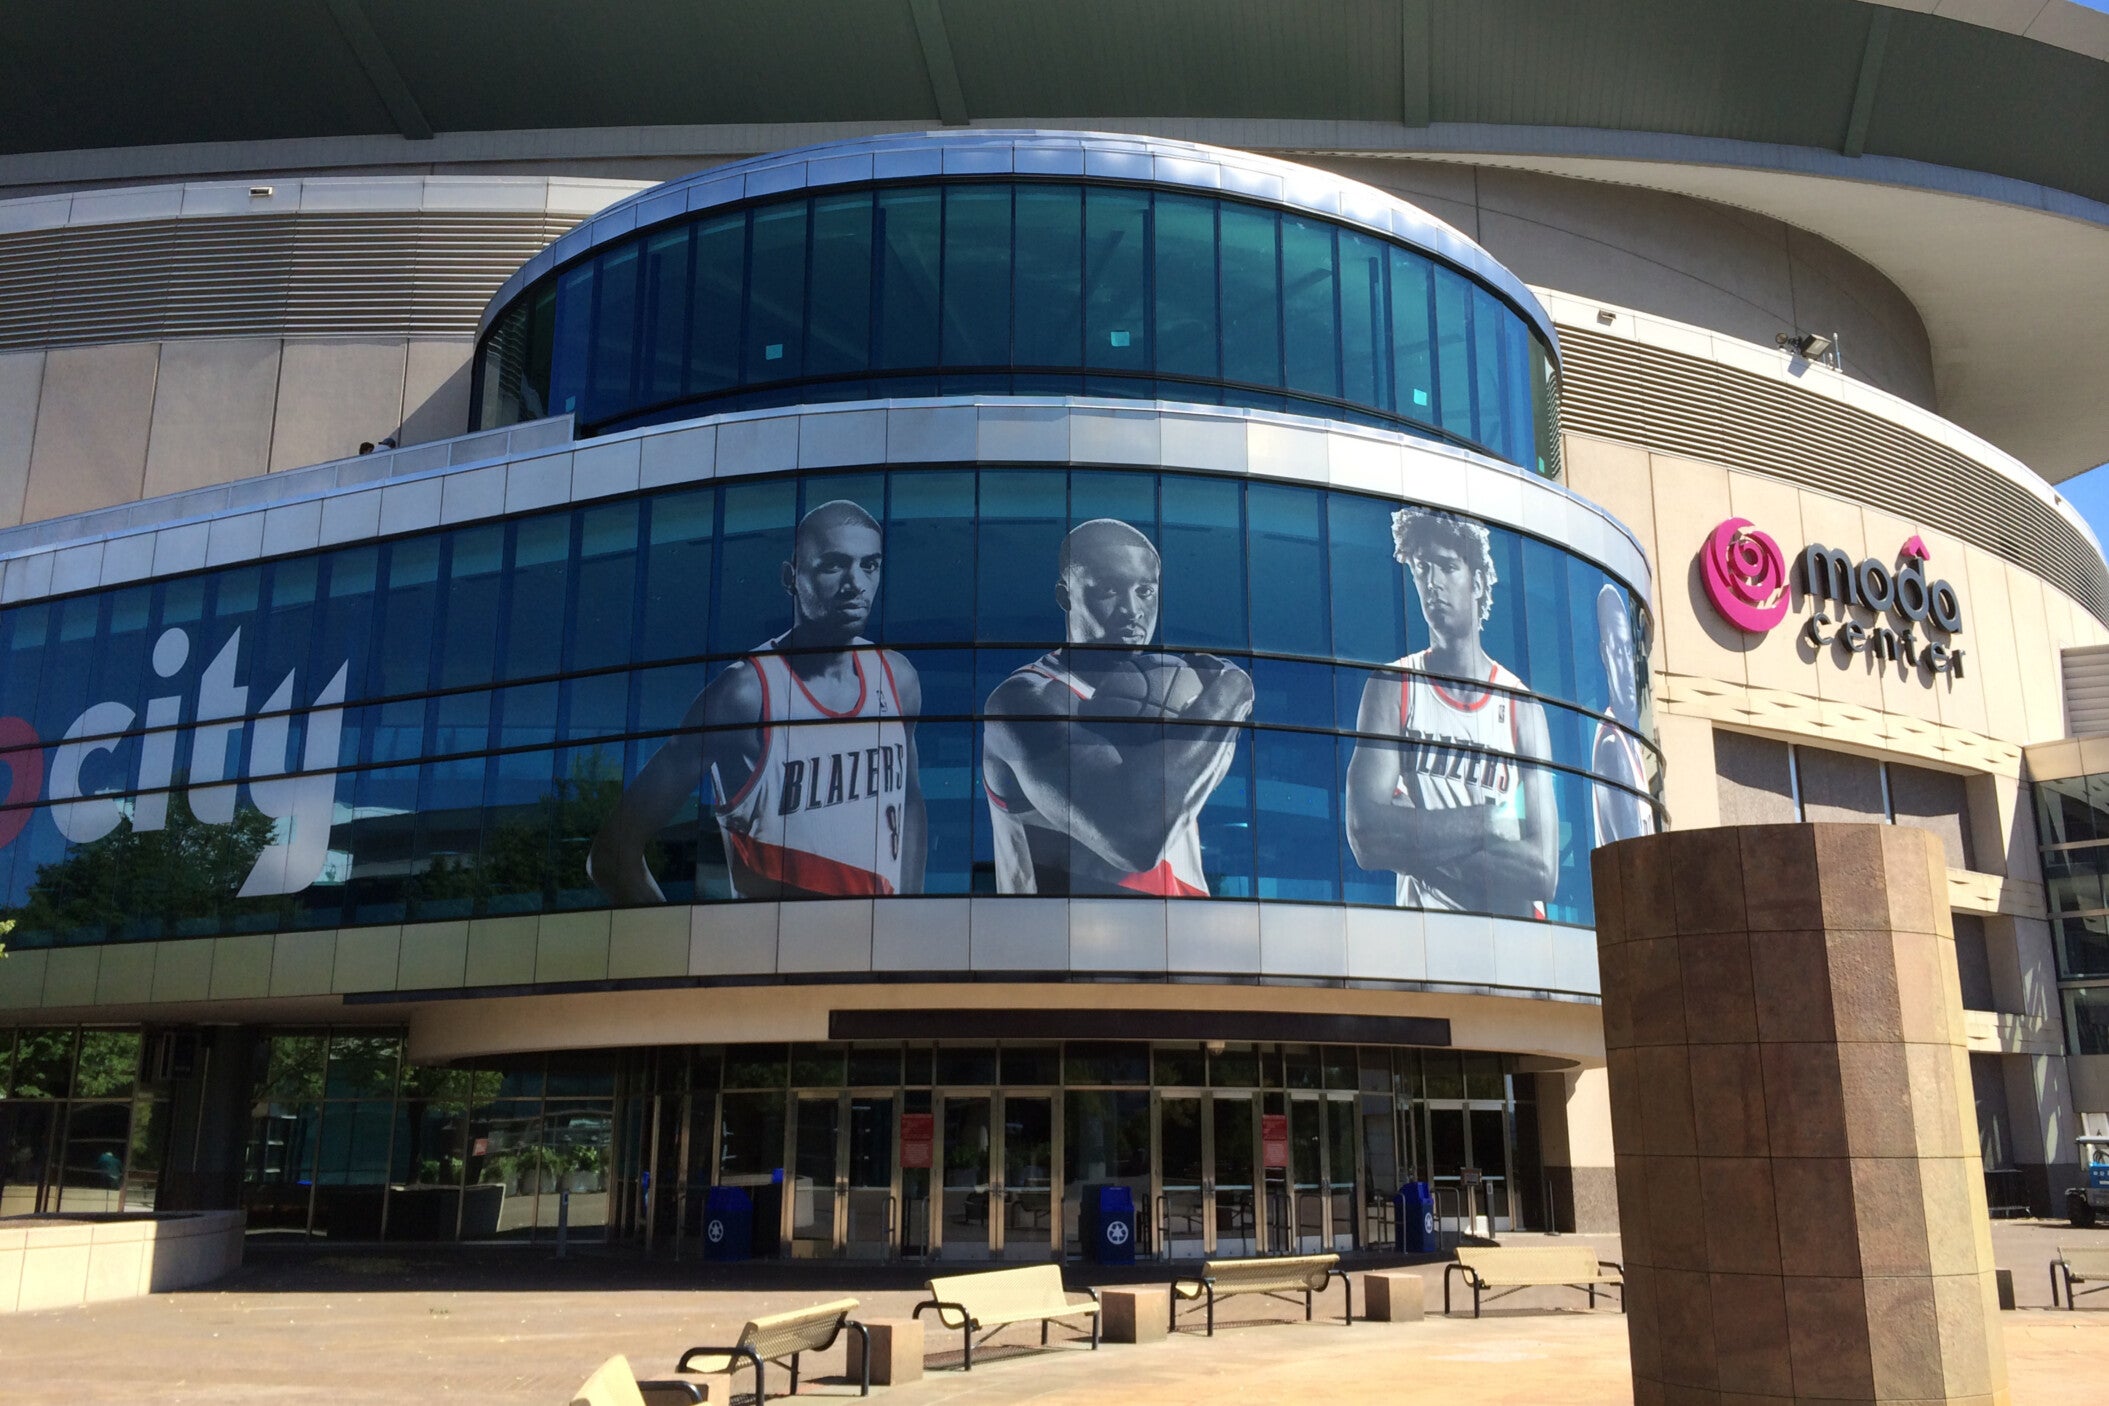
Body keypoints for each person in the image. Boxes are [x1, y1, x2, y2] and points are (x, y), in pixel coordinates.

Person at [589, 500, 924, 900]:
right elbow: (611, 853)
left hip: (877, 953)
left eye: (870, 565)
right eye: (834, 565)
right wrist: (680, 944)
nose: (857, 583)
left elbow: (909, 802)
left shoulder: (897, 679)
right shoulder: (745, 695)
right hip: (776, 956)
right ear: (791, 577)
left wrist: (908, 916)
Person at [983, 518, 1252, 896]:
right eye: (1108, 590)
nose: (1132, 610)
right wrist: (1231, 694)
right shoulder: (1024, 701)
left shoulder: (1174, 695)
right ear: (1065, 596)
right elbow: (1136, 838)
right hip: (1063, 945)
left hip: (1176, 937)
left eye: (1145, 591)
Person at [1344, 507, 1558, 919]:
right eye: (1423, 569)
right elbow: (1366, 836)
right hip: (1427, 950)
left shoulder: (1519, 705)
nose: (1432, 583)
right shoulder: (1394, 687)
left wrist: (1414, 837)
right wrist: (1488, 823)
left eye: (1446, 567)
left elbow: (1543, 871)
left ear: (1477, 582)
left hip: (1512, 950)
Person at [1591, 584, 1652, 847]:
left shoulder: (1631, 739)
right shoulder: (1613, 746)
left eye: (1628, 650)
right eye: (1618, 651)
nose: (1626, 666)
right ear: (1605, 655)